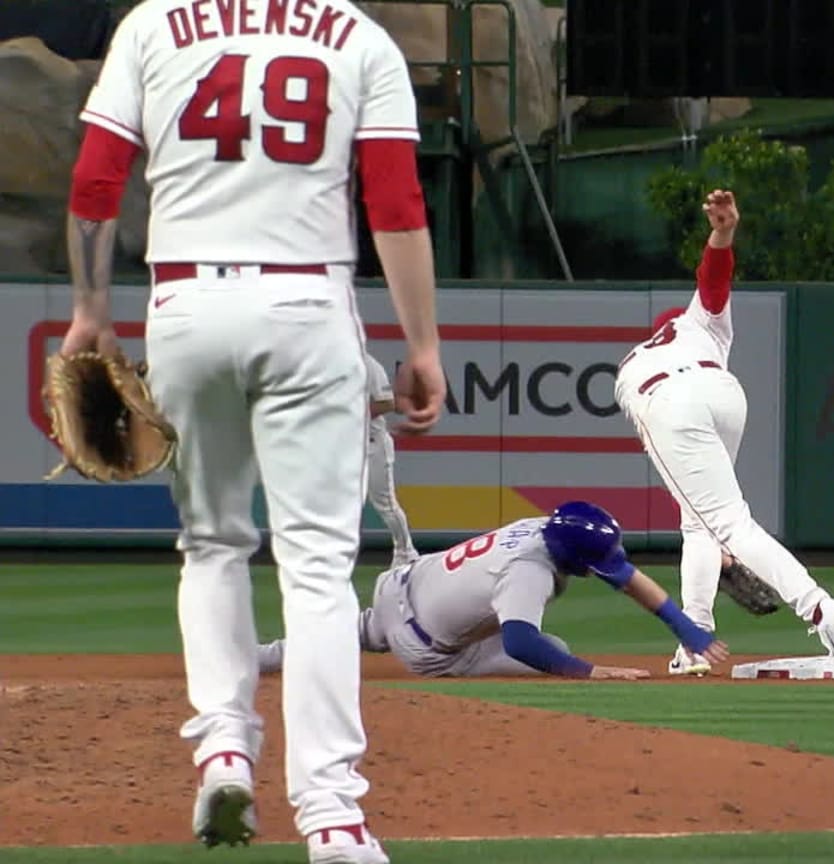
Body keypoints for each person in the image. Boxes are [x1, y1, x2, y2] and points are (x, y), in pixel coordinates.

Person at [62, 3, 447, 862]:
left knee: (212, 546)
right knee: (316, 571)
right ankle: (333, 817)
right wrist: (423, 344)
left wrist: (91, 308)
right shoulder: (357, 36)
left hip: (186, 307)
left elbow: (96, 180)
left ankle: (225, 750)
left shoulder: (154, 25)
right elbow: (394, 201)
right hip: (307, 304)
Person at [614, 189, 834, 676]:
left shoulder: (637, 359)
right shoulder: (702, 325)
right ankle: (694, 641)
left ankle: (821, 609)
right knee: (701, 522)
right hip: (725, 393)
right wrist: (723, 232)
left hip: (666, 401)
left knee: (727, 524)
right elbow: (713, 279)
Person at [256, 502, 728, 680]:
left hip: (399, 586)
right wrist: (589, 671)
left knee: (347, 636)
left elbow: (627, 579)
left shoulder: (545, 528)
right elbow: (522, 642)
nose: (610, 569)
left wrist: (688, 630)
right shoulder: (531, 571)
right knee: (554, 649)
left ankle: (253, 658)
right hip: (427, 649)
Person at [364, 353, 419, 568]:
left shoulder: (368, 364)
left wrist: (353, 414)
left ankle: (406, 551)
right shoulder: (328, 363)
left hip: (373, 444)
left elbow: (387, 402)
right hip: (346, 445)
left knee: (385, 503)